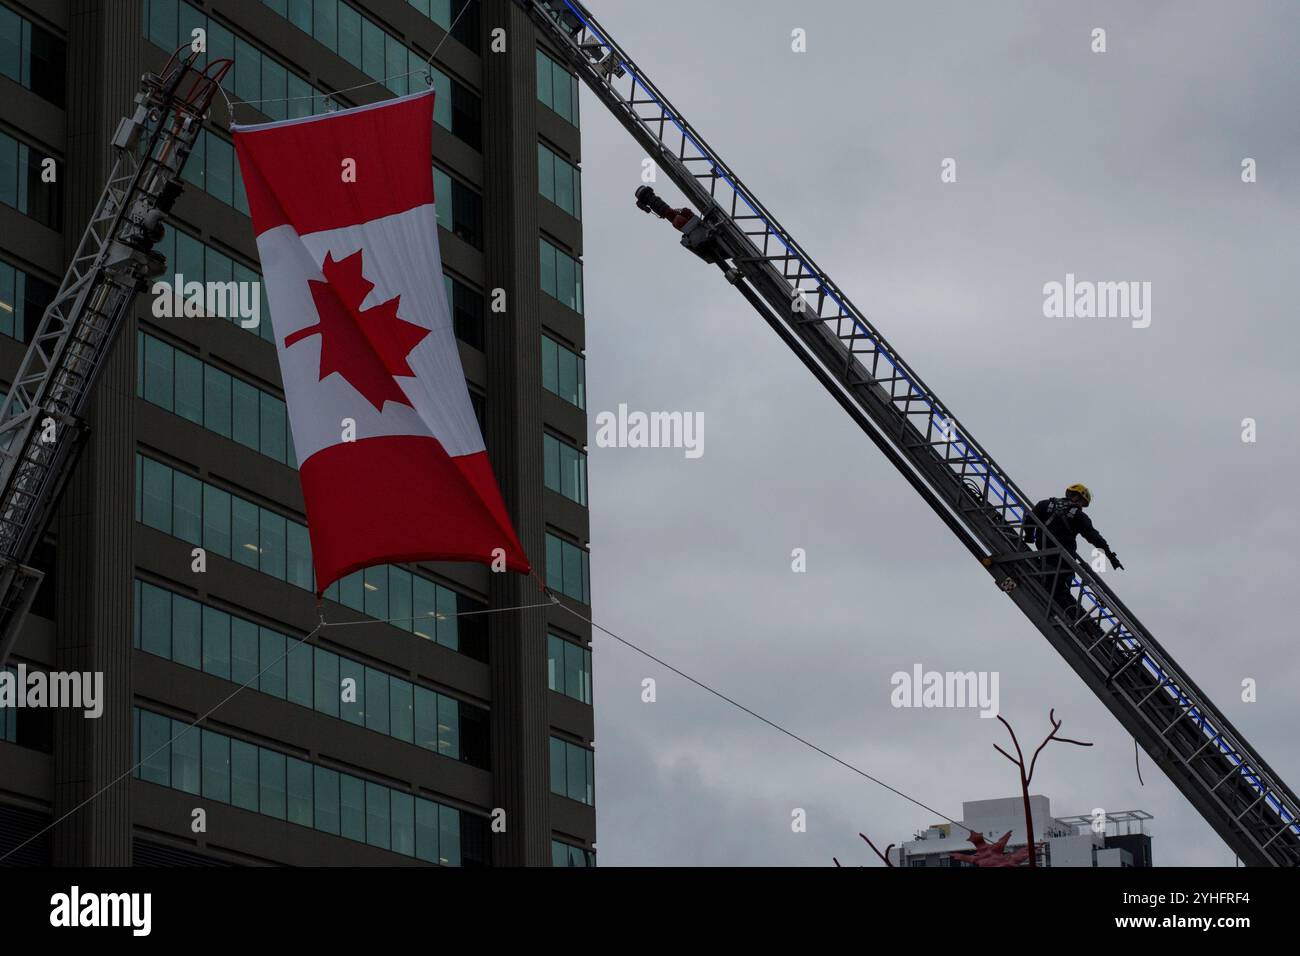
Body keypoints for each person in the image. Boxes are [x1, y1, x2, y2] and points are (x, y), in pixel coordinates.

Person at [1023, 484, 1122, 624]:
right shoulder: (1079, 516)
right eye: (1082, 502)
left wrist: (1029, 537)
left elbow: (1029, 520)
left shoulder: (1044, 504)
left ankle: (1080, 621)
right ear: (1078, 498)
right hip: (1064, 561)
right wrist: (1110, 555)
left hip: (1045, 556)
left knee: (1057, 592)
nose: (1082, 505)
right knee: (1062, 595)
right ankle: (1083, 624)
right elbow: (1094, 537)